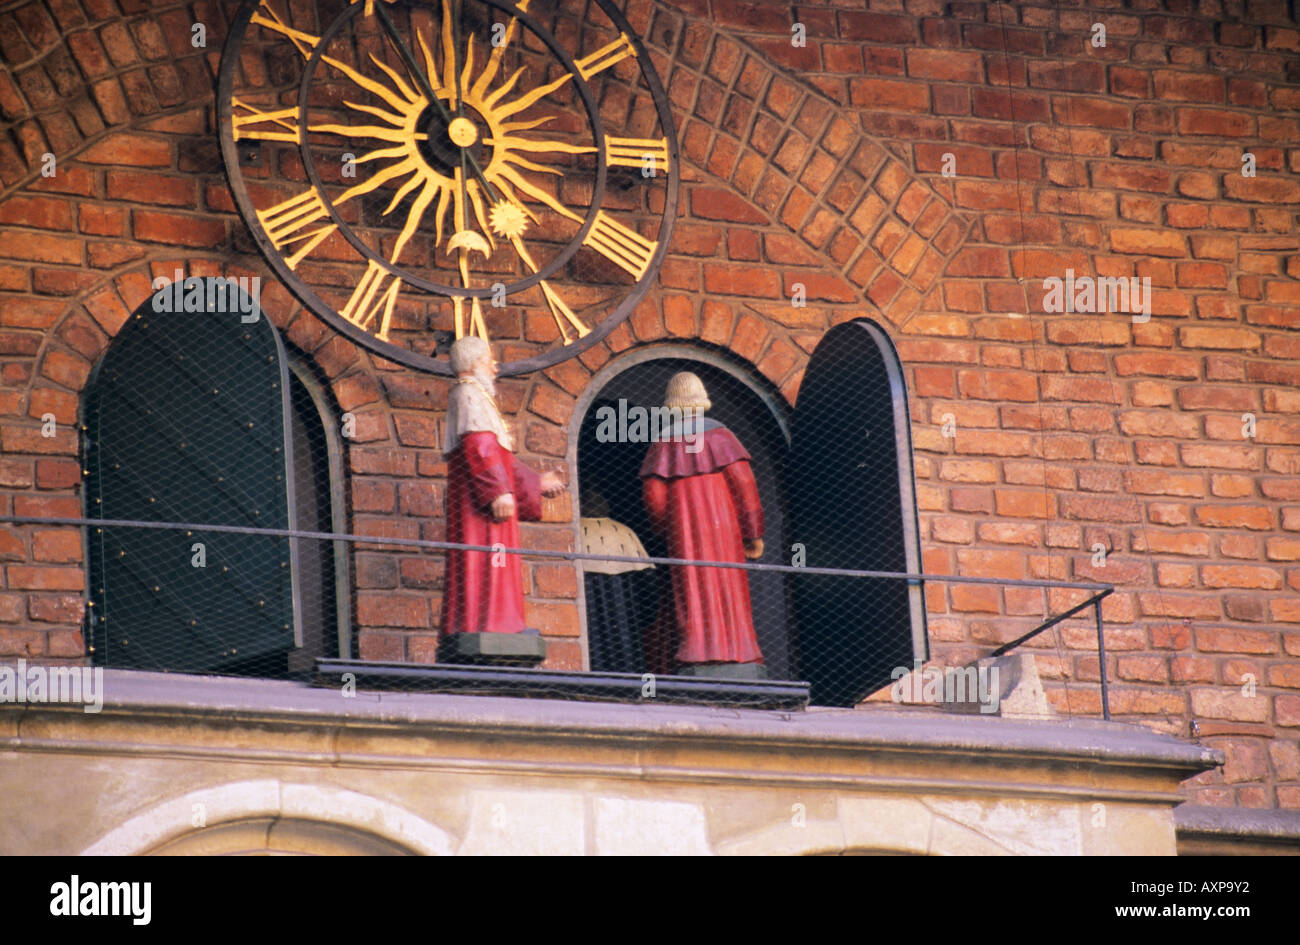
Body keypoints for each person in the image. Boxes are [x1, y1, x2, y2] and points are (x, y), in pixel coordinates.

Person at [639, 372, 765, 675]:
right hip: (726, 535)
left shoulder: (664, 443)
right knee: (730, 587)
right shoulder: (723, 437)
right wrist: (753, 534)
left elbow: (654, 497)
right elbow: (745, 485)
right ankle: (742, 653)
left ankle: (696, 652)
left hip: (685, 535)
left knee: (692, 590)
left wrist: (664, 528)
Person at [439, 336, 566, 639]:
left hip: (483, 499)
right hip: (482, 507)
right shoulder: (469, 394)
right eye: (488, 359)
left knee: (495, 560)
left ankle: (500, 623)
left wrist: (536, 482)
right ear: (472, 364)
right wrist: (498, 491)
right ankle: (491, 625)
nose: (495, 366)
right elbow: (479, 446)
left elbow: (499, 456)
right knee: (489, 560)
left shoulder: (477, 395)